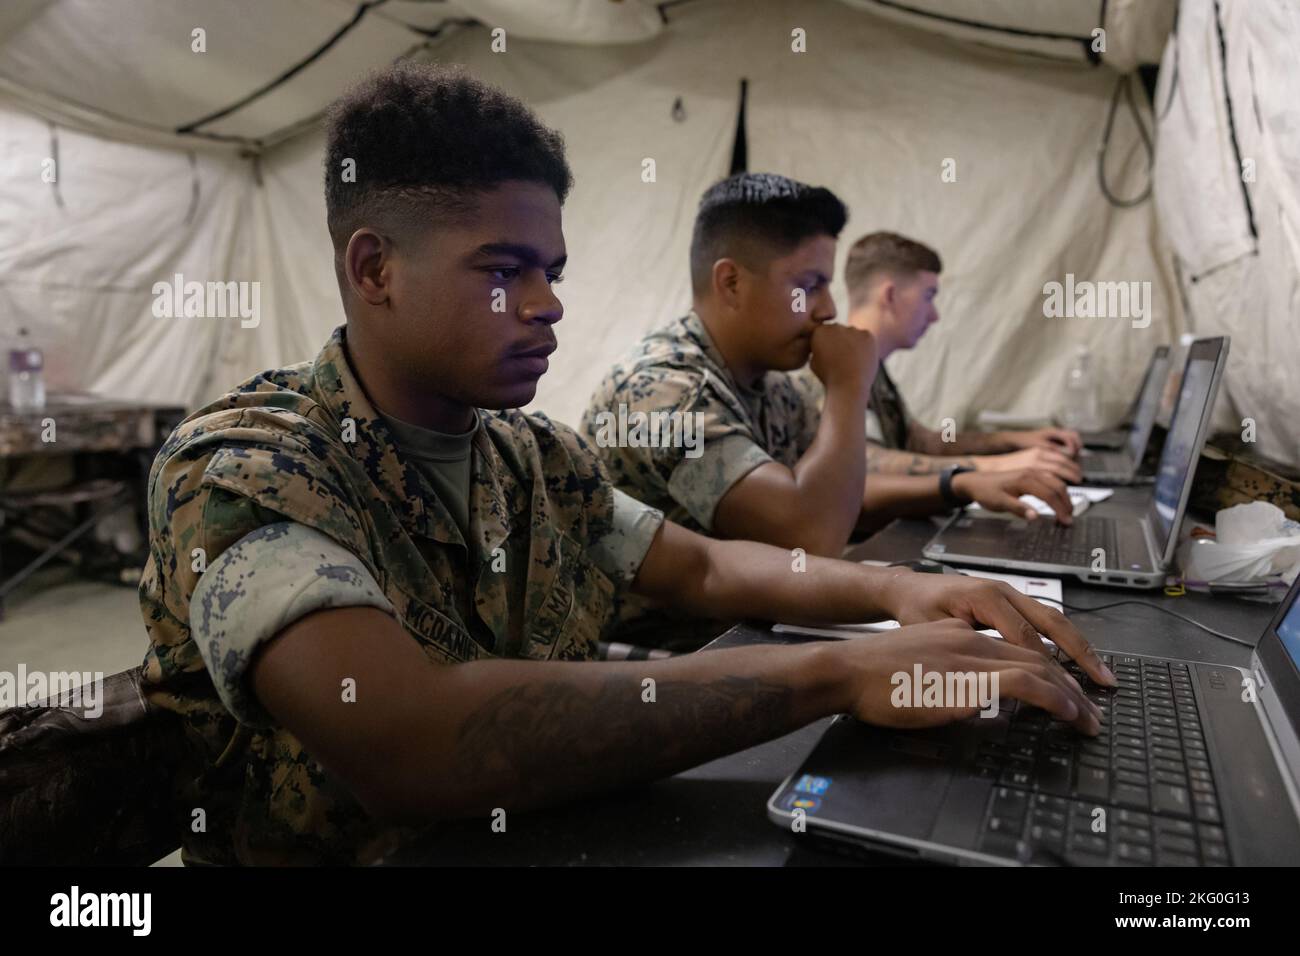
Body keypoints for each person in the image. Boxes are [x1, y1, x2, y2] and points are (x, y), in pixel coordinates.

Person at [138, 65, 1110, 866]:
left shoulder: (528, 454)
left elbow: (706, 566)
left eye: (550, 272)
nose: (546, 303)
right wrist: (842, 670)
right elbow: (411, 739)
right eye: (501, 269)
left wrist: (903, 590)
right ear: (374, 269)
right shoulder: (250, 463)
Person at [839, 231, 1083, 481]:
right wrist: (999, 467)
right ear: (889, 295)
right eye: (928, 296)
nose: (934, 315)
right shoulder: (839, 367)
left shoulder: (870, 366)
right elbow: (866, 462)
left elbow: (924, 443)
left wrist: (1012, 441)